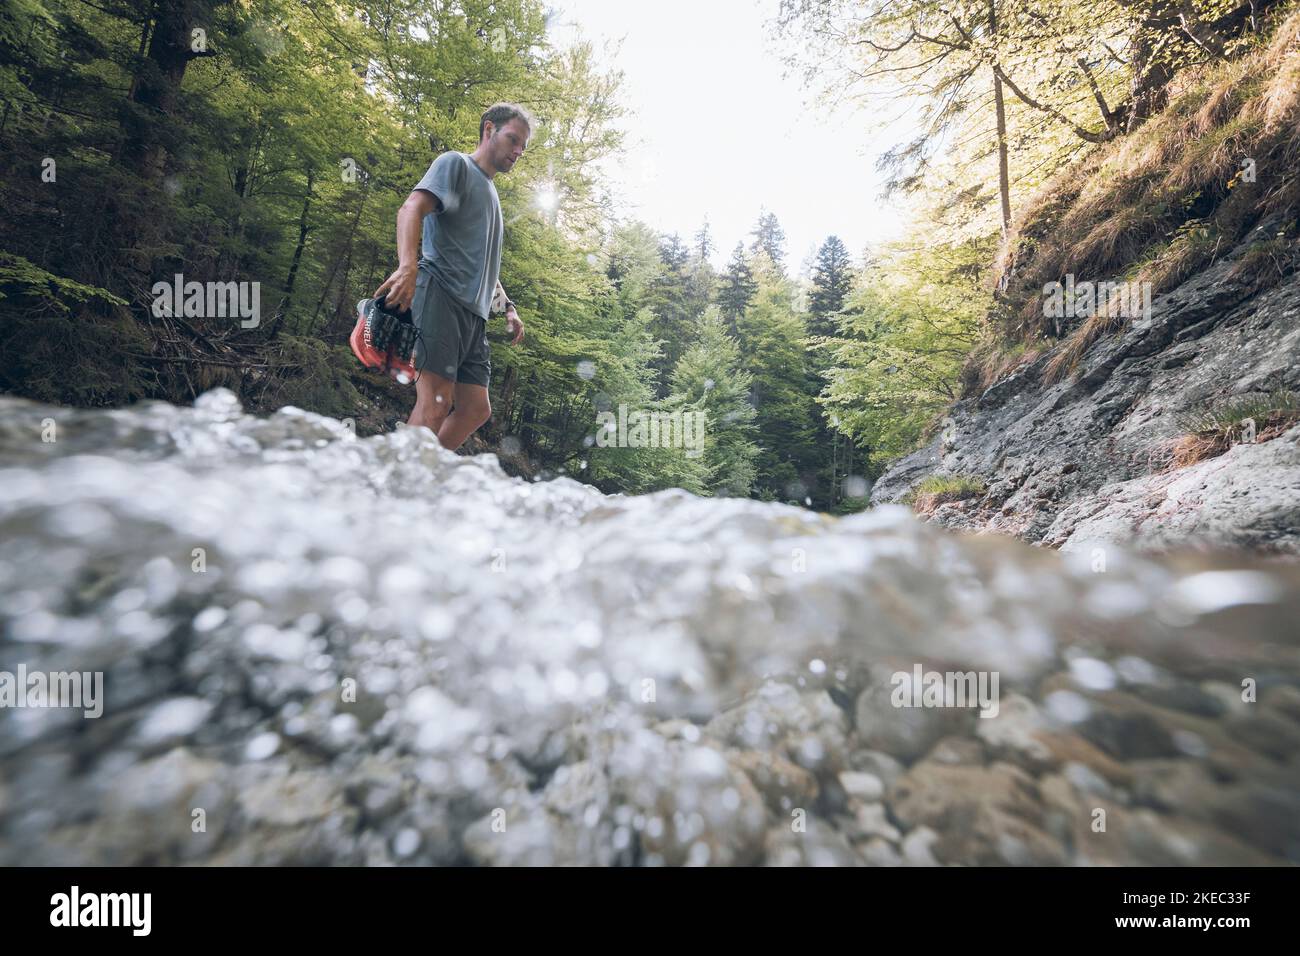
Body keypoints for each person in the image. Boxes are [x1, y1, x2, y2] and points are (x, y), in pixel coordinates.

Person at [351, 102, 529, 450]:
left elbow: (483, 265)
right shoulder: (455, 165)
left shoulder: (492, 195)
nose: (519, 151)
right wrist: (407, 265)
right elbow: (411, 208)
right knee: (436, 402)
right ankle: (397, 485)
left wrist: (507, 307)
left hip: (474, 318)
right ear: (489, 130)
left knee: (476, 409)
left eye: (524, 146)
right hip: (441, 294)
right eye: (513, 140)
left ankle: (423, 474)